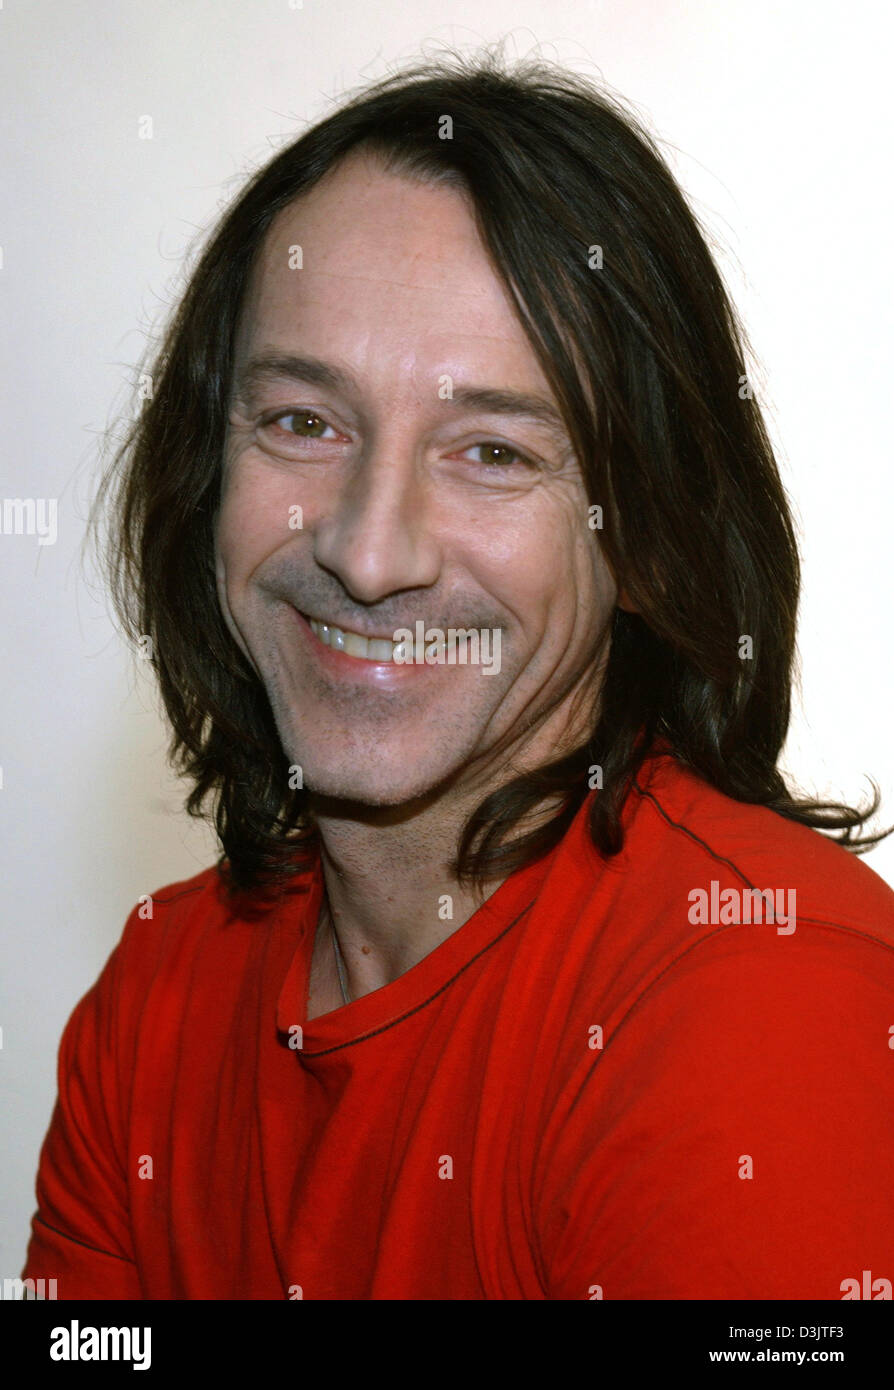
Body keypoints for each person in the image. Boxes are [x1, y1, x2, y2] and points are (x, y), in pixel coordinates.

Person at [22, 50, 894, 1300]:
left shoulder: (762, 993)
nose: (369, 553)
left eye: (491, 450)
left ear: (647, 538)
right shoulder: (154, 999)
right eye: (302, 422)